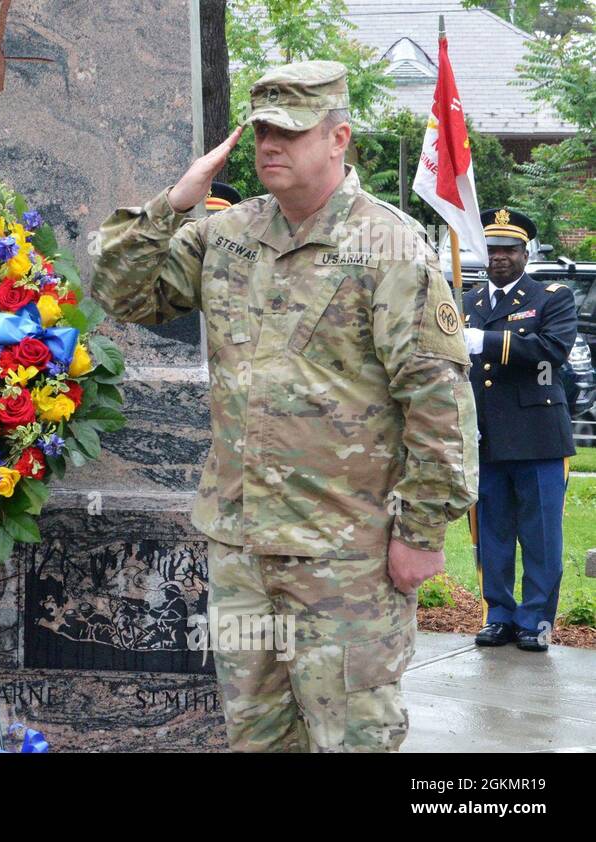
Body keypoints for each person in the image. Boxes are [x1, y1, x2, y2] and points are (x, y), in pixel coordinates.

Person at [91, 60, 478, 751]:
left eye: (291, 132)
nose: (270, 145)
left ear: (338, 138)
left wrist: (421, 531)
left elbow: (438, 402)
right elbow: (124, 293)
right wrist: (175, 202)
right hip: (242, 546)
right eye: (263, 130)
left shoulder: (389, 249)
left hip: (345, 554)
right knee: (255, 734)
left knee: (352, 735)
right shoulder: (228, 234)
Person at [464, 208, 576, 652]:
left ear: (525, 253)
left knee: (541, 536)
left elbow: (552, 350)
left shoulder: (552, 297)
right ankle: (499, 615)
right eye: (491, 249)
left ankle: (536, 622)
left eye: (509, 249)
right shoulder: (467, 301)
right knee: (490, 535)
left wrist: (487, 341)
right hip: (485, 439)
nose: (499, 258)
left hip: (537, 439)